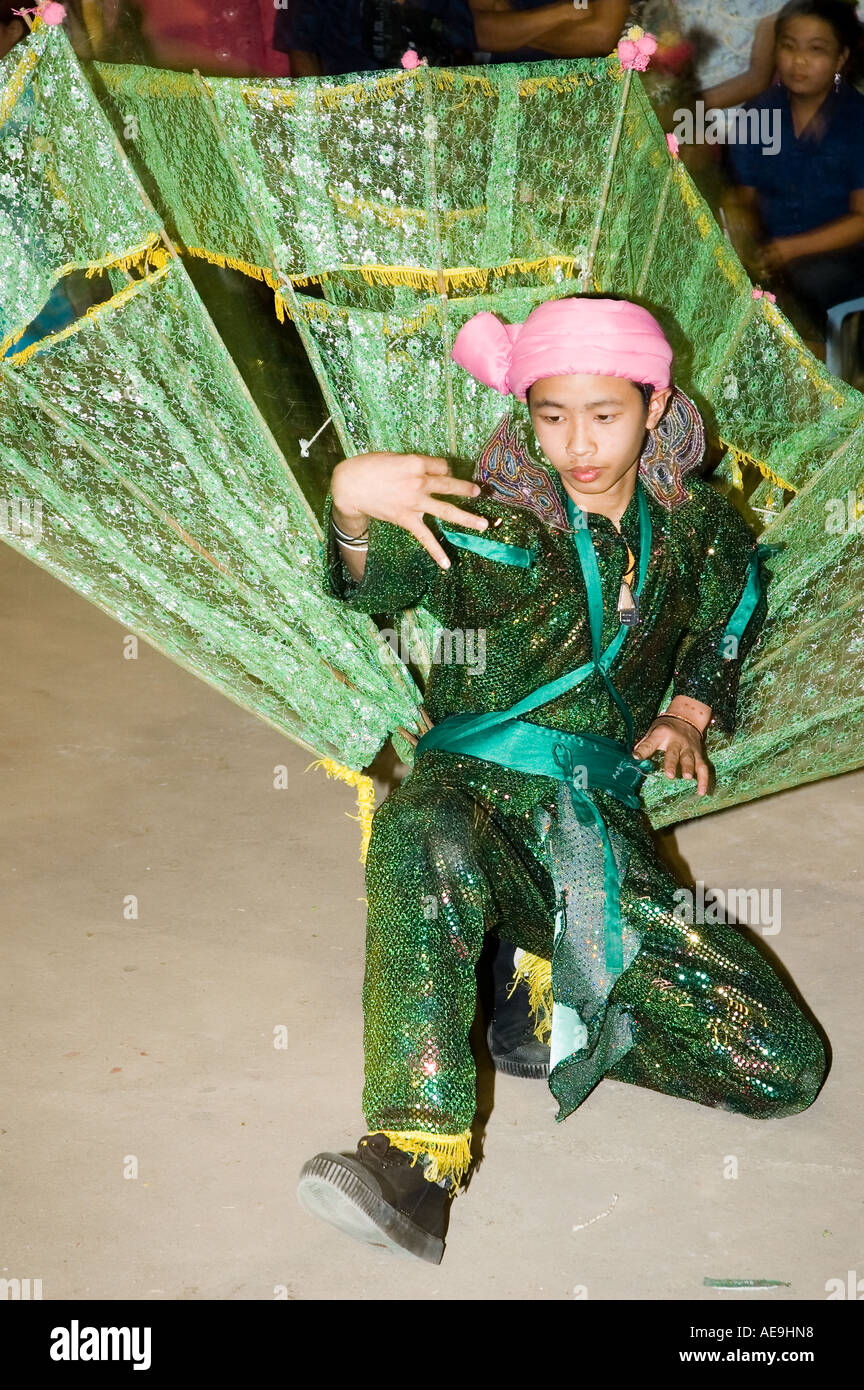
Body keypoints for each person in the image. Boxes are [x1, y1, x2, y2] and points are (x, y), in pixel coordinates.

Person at [295, 295, 828, 1264]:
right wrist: (350, 504)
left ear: (657, 404)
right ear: (527, 414)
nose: (578, 444)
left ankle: (555, 1003)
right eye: (552, 416)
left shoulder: (696, 529)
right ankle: (414, 1155)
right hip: (475, 799)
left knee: (783, 1064)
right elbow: (381, 581)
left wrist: (688, 711)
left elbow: (733, 601)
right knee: (421, 831)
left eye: (605, 414)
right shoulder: (492, 524)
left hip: (594, 845)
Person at [723, 0, 864, 343]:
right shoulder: (759, 112)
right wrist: (746, 243)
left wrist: (789, 249)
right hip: (770, 254)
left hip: (840, 257)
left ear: (841, 58)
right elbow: (741, 196)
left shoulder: (857, 120)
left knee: (806, 287)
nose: (798, 61)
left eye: (816, 50)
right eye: (788, 46)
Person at [274, 0, 631, 75]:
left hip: (437, 108)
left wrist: (516, 28)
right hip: (349, 108)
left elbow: (599, 38)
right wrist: (563, 12)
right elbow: (483, 28)